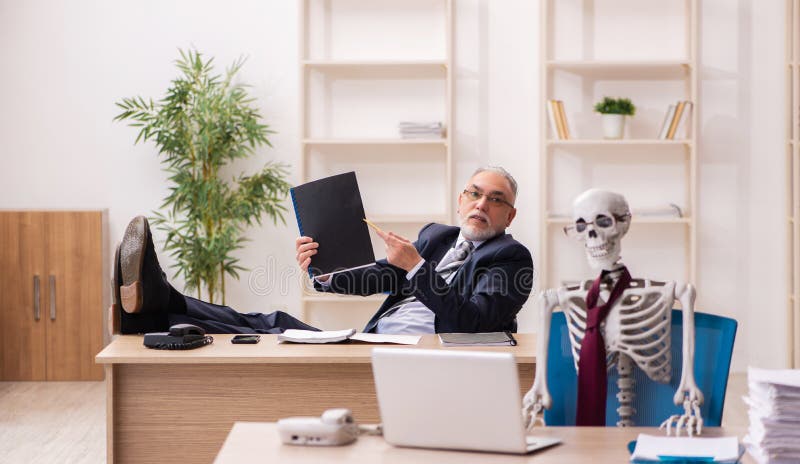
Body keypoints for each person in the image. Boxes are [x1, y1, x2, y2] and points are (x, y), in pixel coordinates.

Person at [110, 166, 533, 335]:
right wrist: (325, 270)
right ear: (460, 200)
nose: (482, 204)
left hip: (423, 362)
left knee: (275, 329)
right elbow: (382, 275)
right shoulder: (437, 237)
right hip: (377, 344)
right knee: (273, 324)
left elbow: (473, 320)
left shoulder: (511, 259)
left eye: (495, 200)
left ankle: (160, 307)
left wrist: (417, 269)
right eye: (475, 193)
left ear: (509, 216)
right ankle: (162, 306)